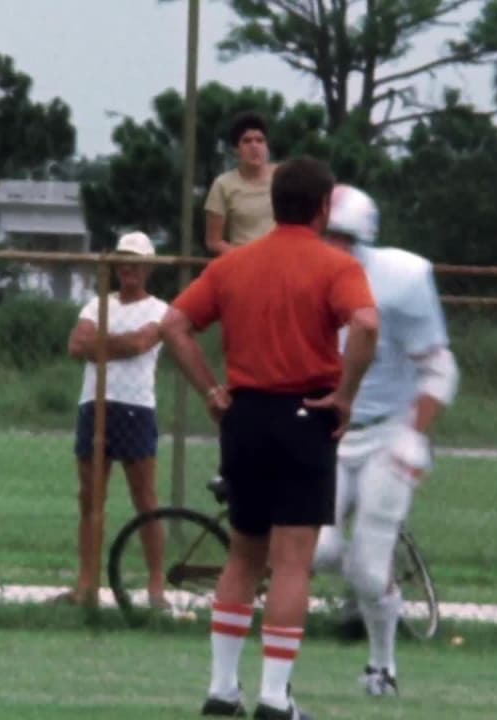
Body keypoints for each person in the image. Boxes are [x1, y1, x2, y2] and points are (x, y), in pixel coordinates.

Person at [160, 157, 380, 720]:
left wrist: (212, 392)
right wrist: (346, 394)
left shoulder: (236, 264)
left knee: (242, 553)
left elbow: (175, 325)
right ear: (324, 206)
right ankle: (275, 698)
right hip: (306, 414)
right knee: (291, 563)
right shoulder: (335, 265)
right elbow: (366, 324)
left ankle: (221, 688)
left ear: (273, 202)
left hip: (245, 415)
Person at [311, 185, 459, 698]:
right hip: (323, 431)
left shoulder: (400, 279)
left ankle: (383, 666)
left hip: (385, 433)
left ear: (363, 239)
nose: (332, 245)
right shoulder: (297, 274)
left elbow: (440, 370)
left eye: (342, 237)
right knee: (316, 548)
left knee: (369, 571)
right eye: (324, 233)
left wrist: (414, 435)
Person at [66, 232, 170, 609]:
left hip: (135, 407)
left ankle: (157, 586)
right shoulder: (97, 305)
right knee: (90, 498)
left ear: (148, 268)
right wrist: (114, 345)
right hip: (94, 404)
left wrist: (102, 345)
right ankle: (86, 584)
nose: (129, 268)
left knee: (146, 499)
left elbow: (144, 343)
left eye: (136, 261)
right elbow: (77, 346)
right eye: (122, 260)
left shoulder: (160, 309)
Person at [204, 112, 277, 255]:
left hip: (281, 263)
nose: (254, 146)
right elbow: (214, 241)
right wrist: (245, 258)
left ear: (267, 146)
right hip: (243, 263)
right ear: (236, 149)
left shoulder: (283, 177)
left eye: (260, 140)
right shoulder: (223, 185)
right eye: (247, 141)